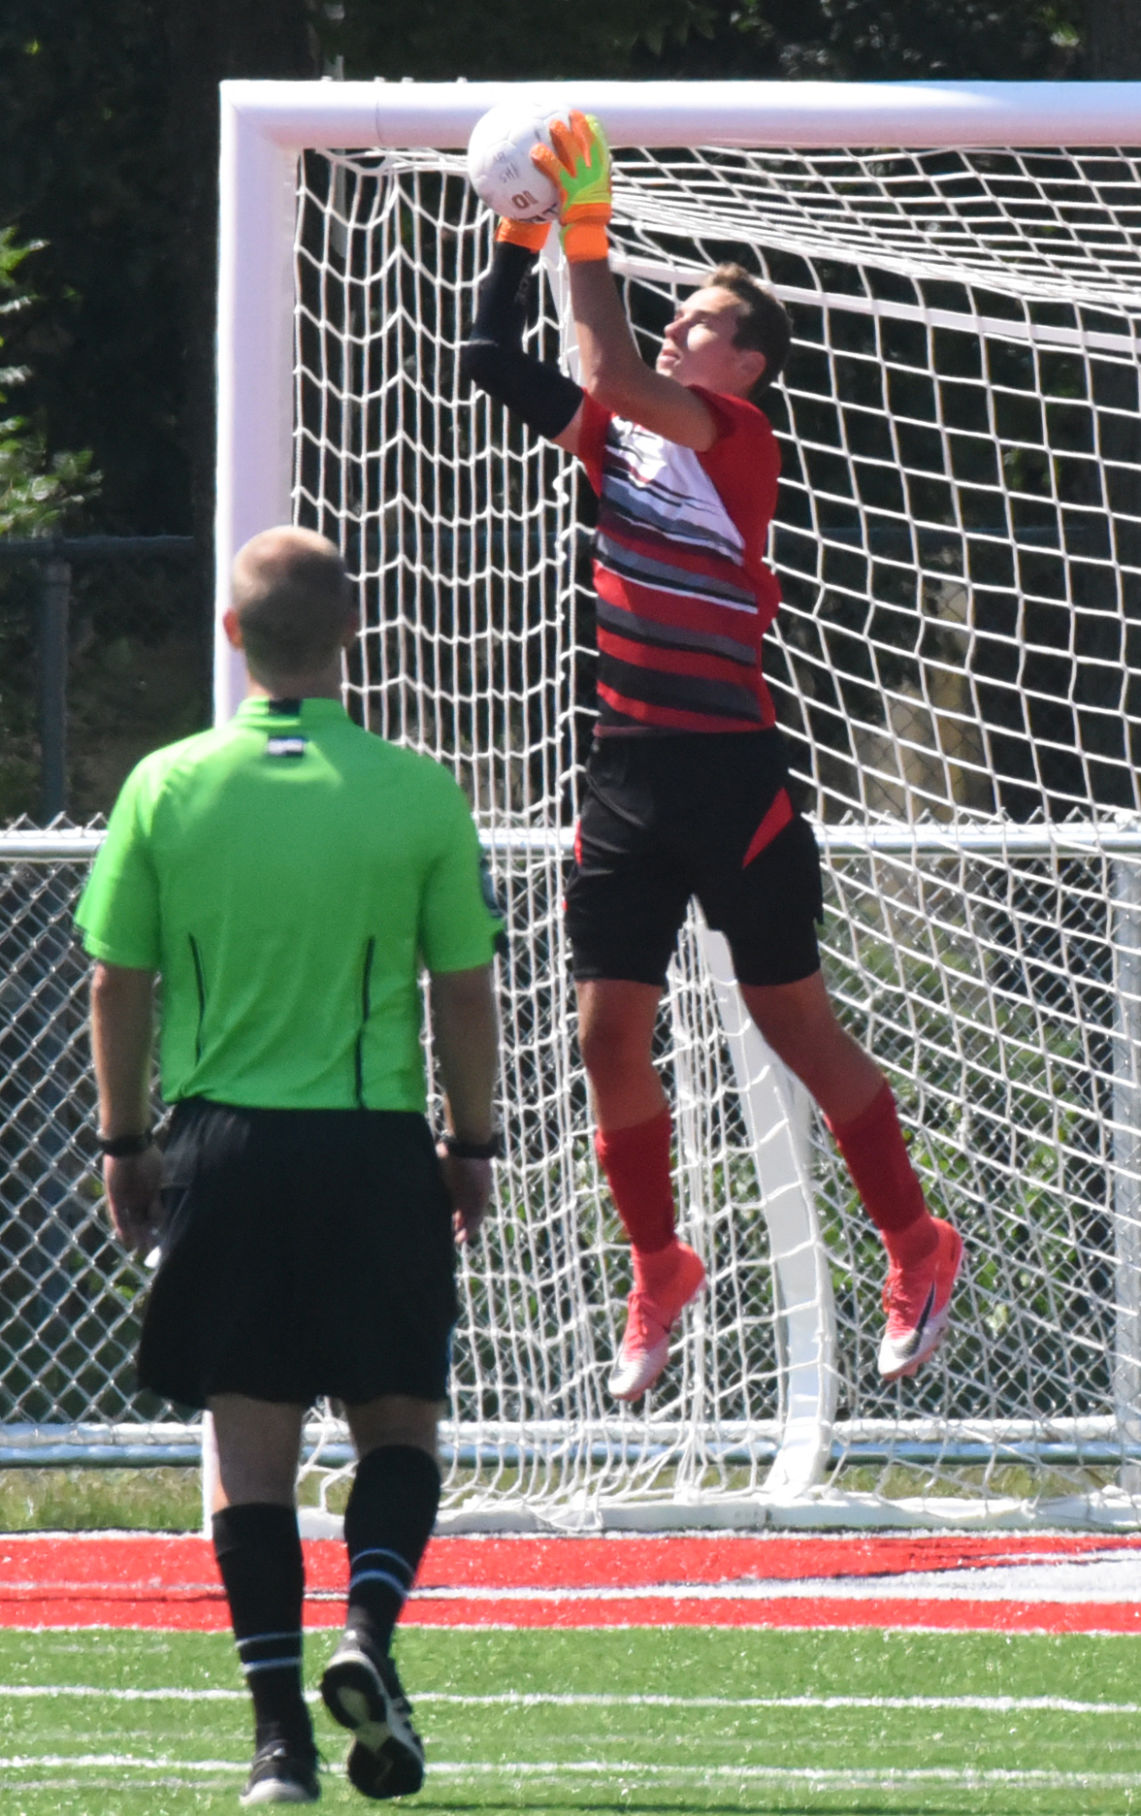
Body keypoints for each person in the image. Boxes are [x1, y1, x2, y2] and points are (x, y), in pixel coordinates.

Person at [461, 112, 962, 1404]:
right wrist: (521, 232)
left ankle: (914, 1242)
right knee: (603, 1034)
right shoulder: (619, 442)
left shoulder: (734, 444)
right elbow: (485, 356)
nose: (676, 330)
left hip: (730, 777)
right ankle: (658, 1266)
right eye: (673, 317)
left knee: (791, 1018)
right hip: (624, 775)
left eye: (696, 322)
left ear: (743, 363)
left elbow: (614, 370)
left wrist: (587, 225)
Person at [75, 527, 503, 1806]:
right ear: (351, 634)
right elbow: (464, 986)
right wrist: (470, 1141)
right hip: (373, 1148)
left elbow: (115, 979)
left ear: (231, 636)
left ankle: (280, 1750)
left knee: (248, 1453)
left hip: (224, 1147)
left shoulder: (168, 783)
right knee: (399, 1426)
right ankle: (367, 1633)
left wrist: (124, 1141)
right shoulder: (417, 788)